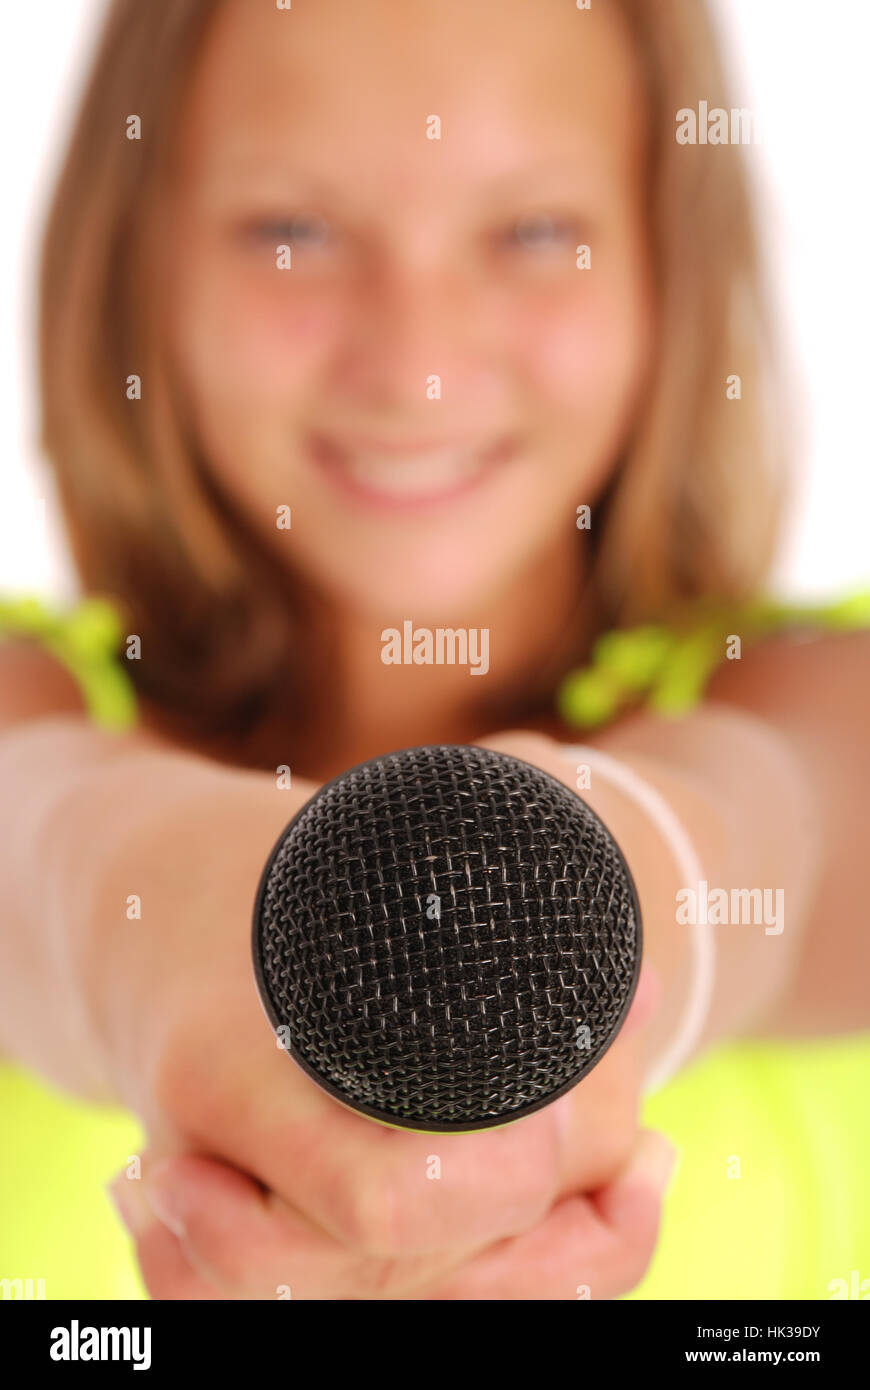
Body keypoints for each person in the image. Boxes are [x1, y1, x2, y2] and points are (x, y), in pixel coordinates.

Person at [0, 0, 867, 1301]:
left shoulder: (821, 690)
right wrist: (145, 932)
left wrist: (625, 892)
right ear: (141, 258)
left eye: (532, 231)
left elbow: (778, 828)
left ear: (663, 261)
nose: (414, 364)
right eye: (290, 230)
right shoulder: (30, 694)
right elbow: (39, 832)